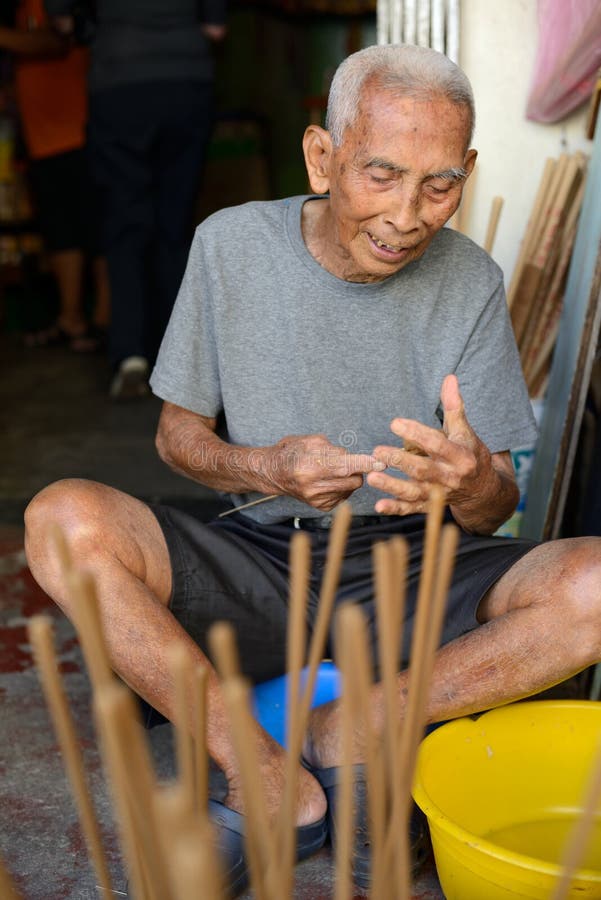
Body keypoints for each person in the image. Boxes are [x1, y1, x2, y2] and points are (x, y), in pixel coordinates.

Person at [24, 44, 601, 894]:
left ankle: (349, 732)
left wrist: (470, 482)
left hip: (415, 563)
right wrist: (266, 467)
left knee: (594, 586)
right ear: (321, 157)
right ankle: (262, 773)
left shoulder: (470, 279)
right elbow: (176, 438)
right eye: (380, 174)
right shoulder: (231, 246)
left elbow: (491, 511)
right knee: (63, 519)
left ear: (467, 173)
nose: (406, 215)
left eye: (439, 185)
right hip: (258, 555)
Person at [46, 0, 227, 398]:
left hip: (119, 80)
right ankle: (178, 363)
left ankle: (130, 355)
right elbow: (216, 29)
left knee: (125, 221)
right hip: (185, 83)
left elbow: (61, 18)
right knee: (175, 225)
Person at [0, 0, 110, 351]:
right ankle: (71, 318)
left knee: (98, 230)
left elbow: (57, 42)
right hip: (43, 138)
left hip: (77, 131)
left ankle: (105, 322)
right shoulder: (22, 7)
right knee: (61, 233)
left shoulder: (53, 3)